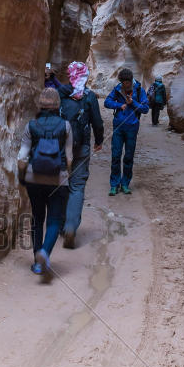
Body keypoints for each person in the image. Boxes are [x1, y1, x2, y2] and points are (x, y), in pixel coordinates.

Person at [18, 87, 73, 278]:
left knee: (37, 217)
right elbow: (69, 157)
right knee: (55, 219)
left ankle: (37, 262)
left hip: (34, 177)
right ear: (58, 105)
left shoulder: (31, 126)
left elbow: (22, 157)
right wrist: (67, 175)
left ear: (40, 105)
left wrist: (22, 176)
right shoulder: (65, 126)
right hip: (58, 178)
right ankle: (45, 252)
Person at [57, 60, 105, 248]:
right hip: (81, 147)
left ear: (69, 75)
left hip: (61, 148)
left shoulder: (60, 94)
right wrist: (99, 141)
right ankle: (71, 226)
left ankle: (61, 225)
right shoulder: (89, 96)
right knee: (77, 187)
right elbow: (98, 123)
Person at [104, 67, 149, 195]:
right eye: (123, 83)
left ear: (131, 80)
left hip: (132, 128)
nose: (125, 85)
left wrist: (133, 102)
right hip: (118, 127)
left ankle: (125, 184)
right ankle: (114, 184)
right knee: (116, 156)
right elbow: (107, 102)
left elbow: (145, 108)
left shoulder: (139, 90)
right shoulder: (118, 89)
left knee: (128, 157)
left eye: (127, 82)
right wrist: (119, 105)